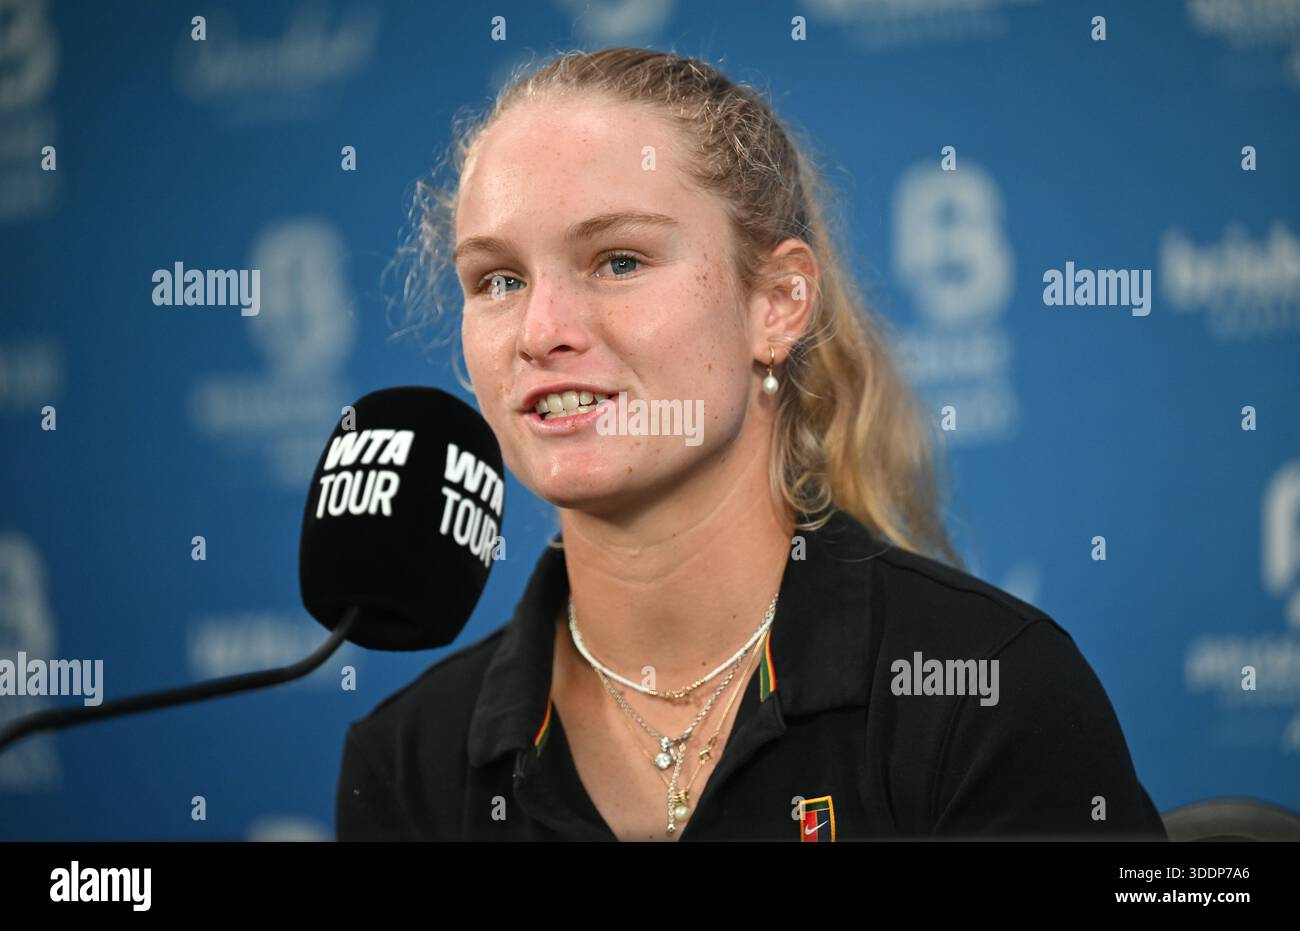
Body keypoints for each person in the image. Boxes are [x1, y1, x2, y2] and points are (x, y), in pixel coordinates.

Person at [335, 48, 1166, 841]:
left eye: (618, 260)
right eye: (499, 280)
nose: (541, 330)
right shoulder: (408, 760)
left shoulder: (986, 689)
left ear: (776, 303)